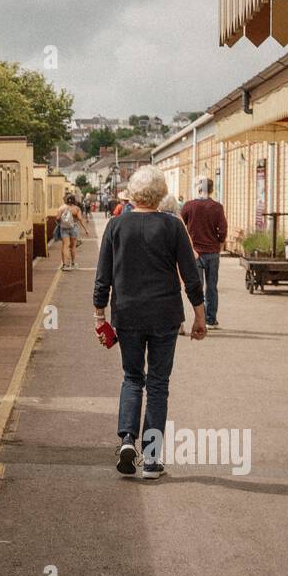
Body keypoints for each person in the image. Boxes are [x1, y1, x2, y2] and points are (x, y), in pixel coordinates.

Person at [94, 165, 206, 479]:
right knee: (158, 385)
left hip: (127, 314)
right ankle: (153, 460)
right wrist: (199, 316)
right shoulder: (173, 226)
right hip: (165, 315)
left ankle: (127, 440)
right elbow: (190, 276)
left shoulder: (115, 226)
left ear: (133, 194)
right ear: (160, 194)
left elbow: (103, 277)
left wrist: (99, 316)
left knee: (132, 378)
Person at [181, 176, 228, 330]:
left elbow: (181, 224)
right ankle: (211, 319)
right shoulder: (217, 207)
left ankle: (198, 318)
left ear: (199, 189)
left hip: (195, 252)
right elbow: (223, 230)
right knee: (212, 287)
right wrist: (219, 243)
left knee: (197, 287)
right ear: (212, 189)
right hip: (212, 252)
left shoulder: (189, 206)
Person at [56, 193, 90, 271]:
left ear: (66, 200)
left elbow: (57, 218)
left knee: (65, 245)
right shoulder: (77, 208)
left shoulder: (62, 208)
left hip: (64, 228)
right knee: (73, 246)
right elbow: (80, 219)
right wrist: (86, 229)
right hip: (74, 228)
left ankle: (65, 265)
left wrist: (62, 221)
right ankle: (73, 263)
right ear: (74, 200)